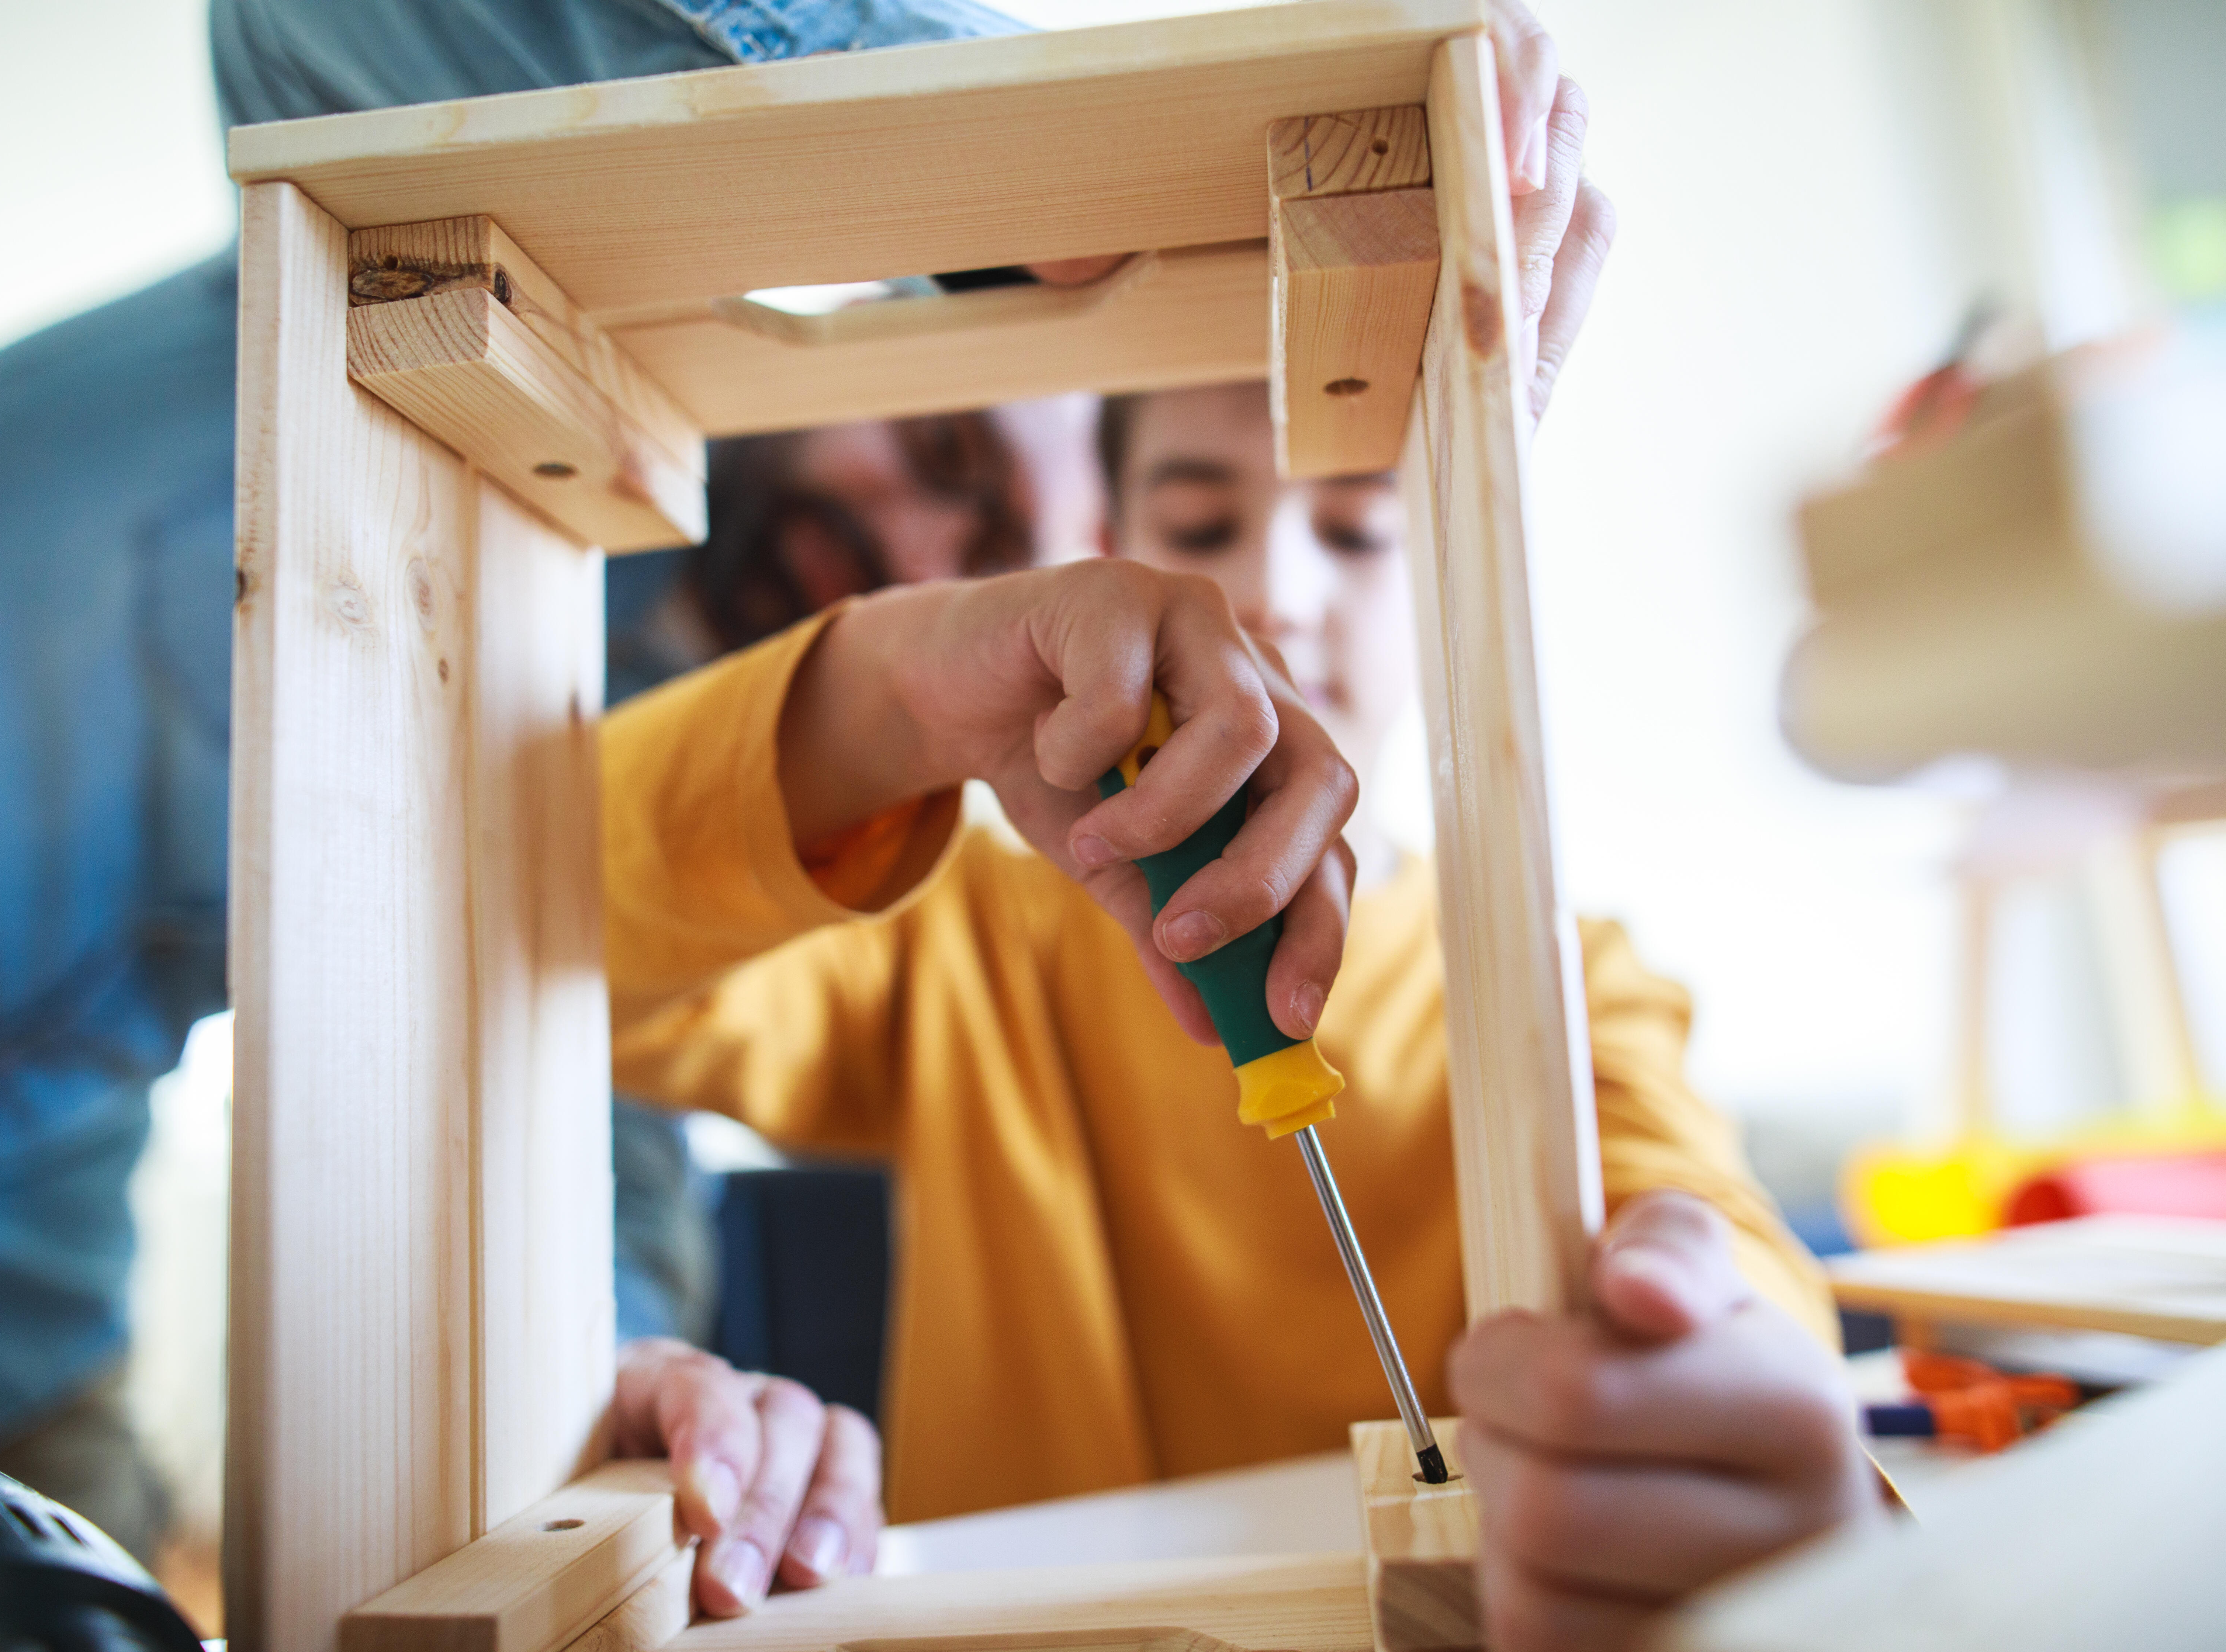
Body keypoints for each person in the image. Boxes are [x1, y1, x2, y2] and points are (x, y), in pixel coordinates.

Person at [600, 22, 1890, 1645]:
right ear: (1108, 543)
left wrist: (1737, 1380)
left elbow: (1716, 1246)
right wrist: (887, 695)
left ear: (1444, 569)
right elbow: (565, 942)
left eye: (1355, 525)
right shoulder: (961, 945)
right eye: (1204, 520)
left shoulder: (1571, 989)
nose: (1277, 584)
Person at [0, 0, 1032, 1617]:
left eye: (985, 557)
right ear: (862, 321)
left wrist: (605, 1354)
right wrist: (985, 138)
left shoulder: (636, 738)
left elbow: (599, 1097)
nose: (925, 550)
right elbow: (299, 29)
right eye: (944, 450)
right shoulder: (429, 292)